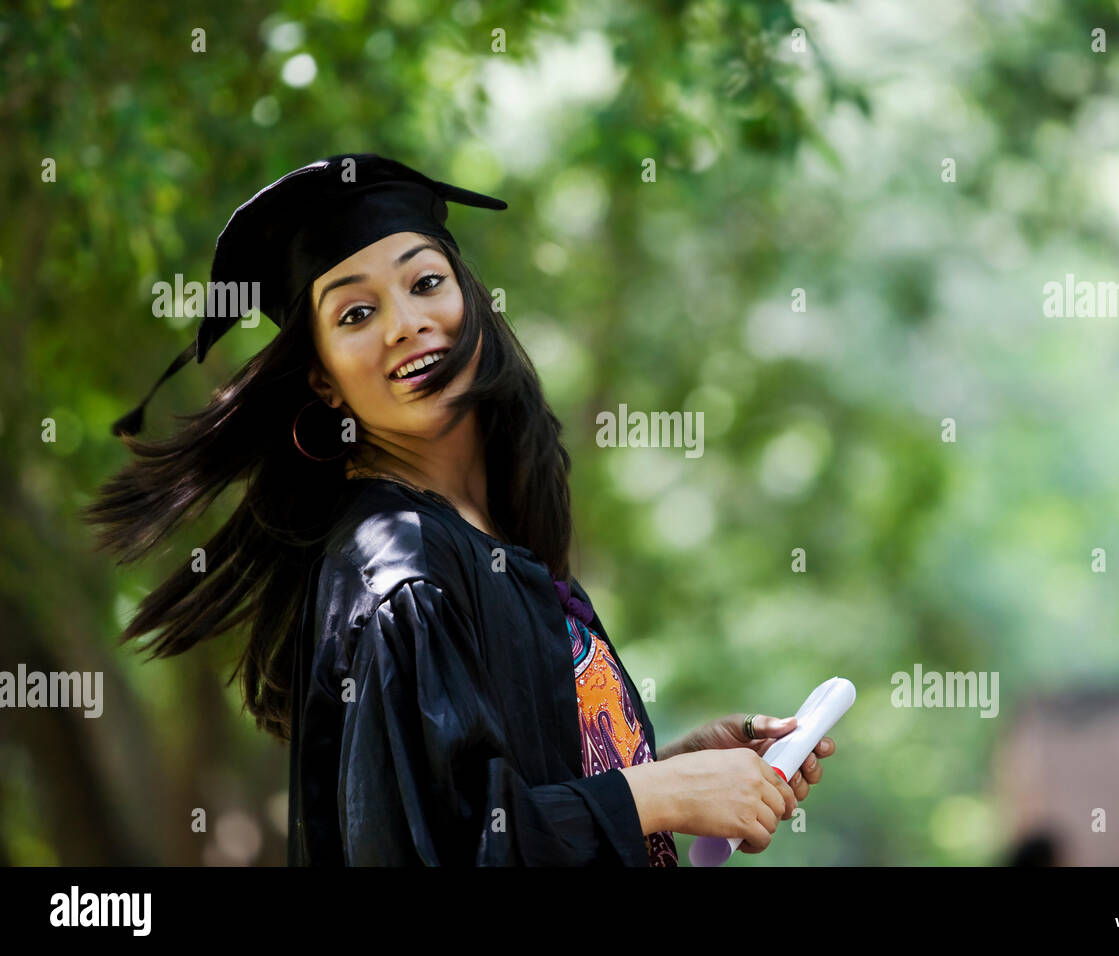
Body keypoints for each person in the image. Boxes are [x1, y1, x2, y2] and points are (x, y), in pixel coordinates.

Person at [82, 153, 835, 865]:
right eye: (354, 315)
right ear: (324, 383)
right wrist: (652, 795)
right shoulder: (398, 572)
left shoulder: (489, 537)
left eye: (425, 282)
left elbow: (512, 805)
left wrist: (667, 774)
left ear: (470, 296)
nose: (404, 322)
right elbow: (433, 848)